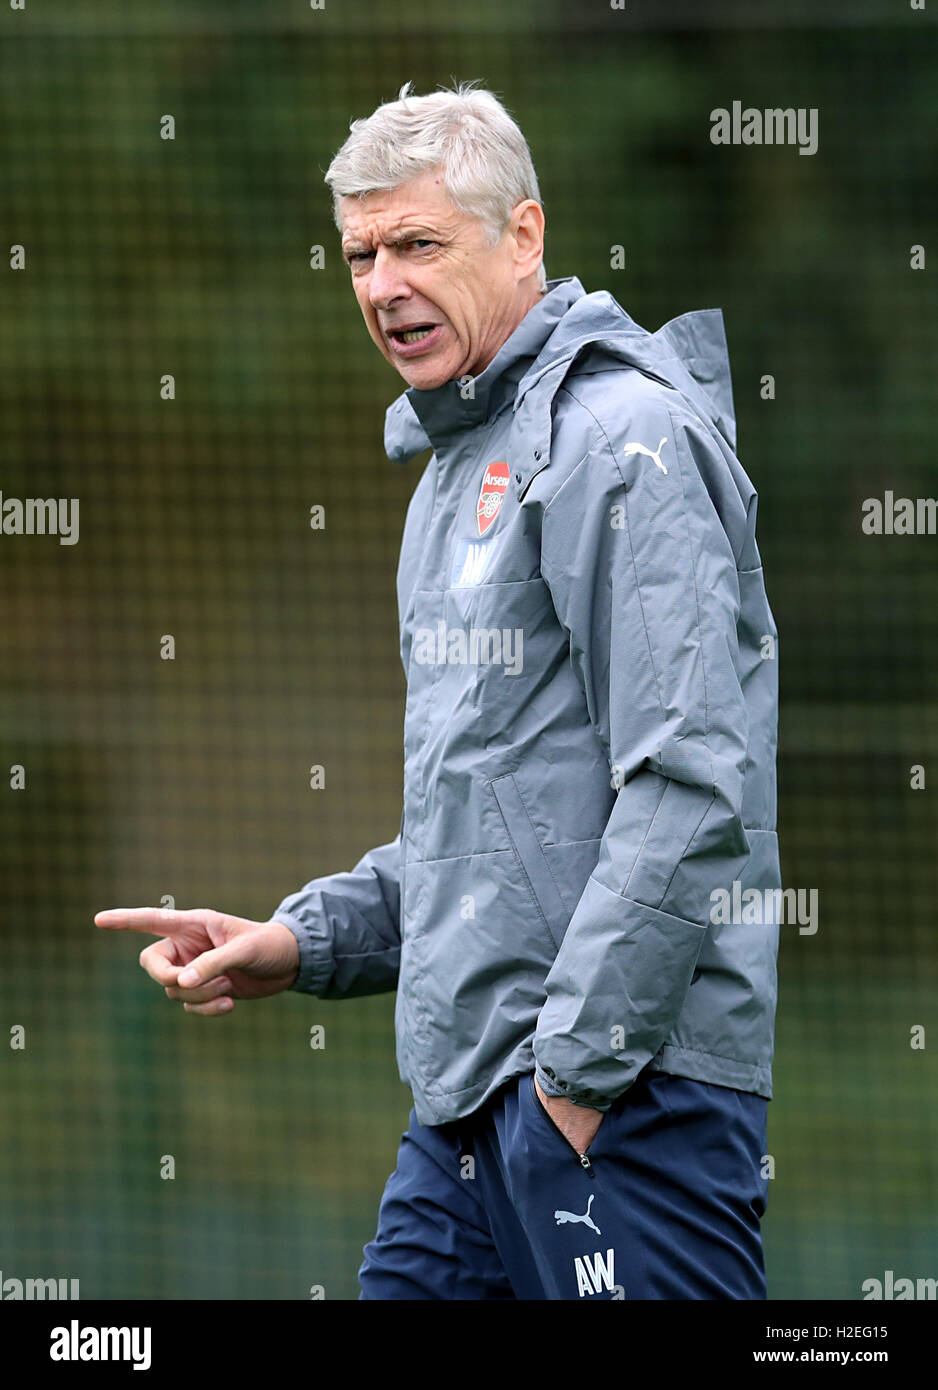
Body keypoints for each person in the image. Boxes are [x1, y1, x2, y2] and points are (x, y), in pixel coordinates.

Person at [96, 81, 781, 1300]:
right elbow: (493, 834)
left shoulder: (621, 437)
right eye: (359, 254)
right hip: (467, 1111)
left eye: (416, 243)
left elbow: (688, 791)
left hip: (623, 1106)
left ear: (522, 234)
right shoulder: (450, 475)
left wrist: (571, 1078)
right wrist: (302, 939)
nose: (380, 283)